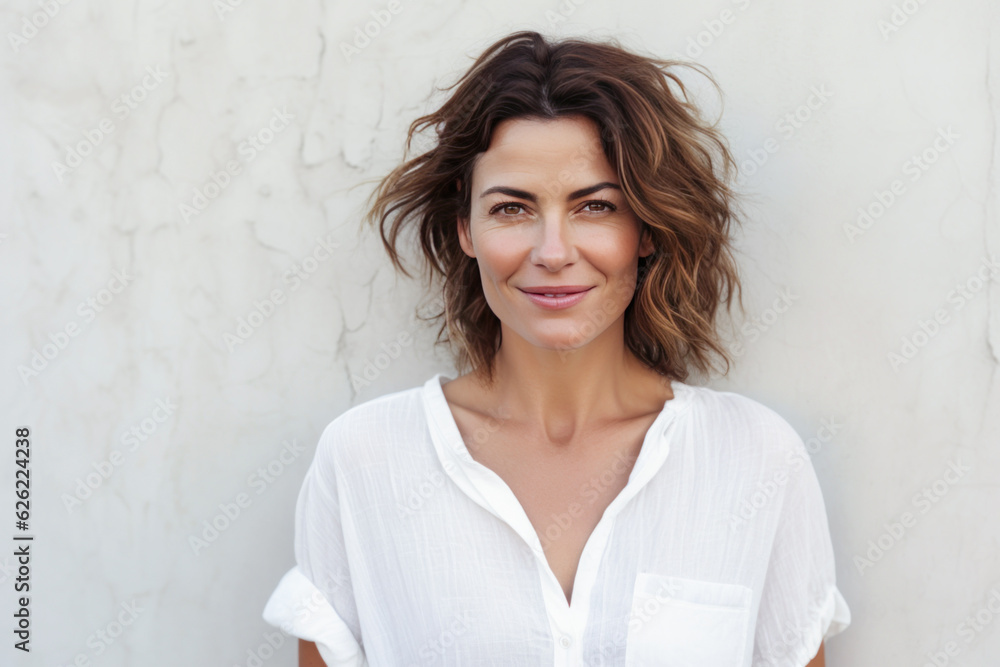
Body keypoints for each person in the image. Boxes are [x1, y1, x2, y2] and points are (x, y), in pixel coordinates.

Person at [262, 29, 851, 666]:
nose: (552, 252)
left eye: (595, 206)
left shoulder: (756, 460)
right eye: (512, 209)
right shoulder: (365, 461)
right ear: (466, 229)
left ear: (644, 230)